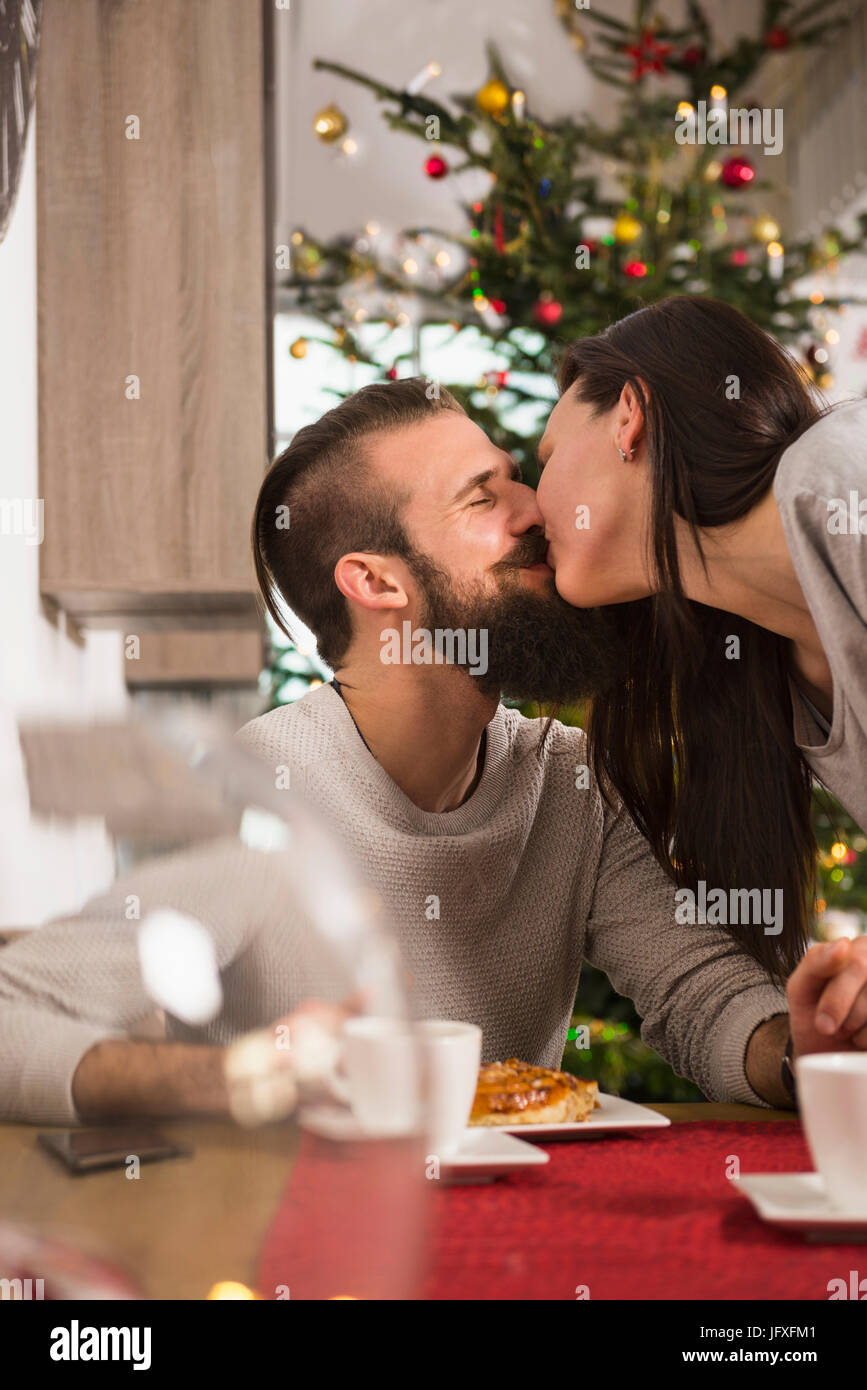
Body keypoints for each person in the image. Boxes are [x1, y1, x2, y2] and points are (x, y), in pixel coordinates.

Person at [1, 377, 864, 1126]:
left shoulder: (563, 782)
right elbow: (13, 1017)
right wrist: (237, 1078)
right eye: (483, 498)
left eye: (515, 478)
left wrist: (800, 1051)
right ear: (376, 582)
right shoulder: (260, 798)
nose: (538, 509)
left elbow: (698, 994)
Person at [536, 294, 867, 991]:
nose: (532, 505)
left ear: (629, 417)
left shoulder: (840, 475)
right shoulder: (779, 667)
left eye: (546, 454)